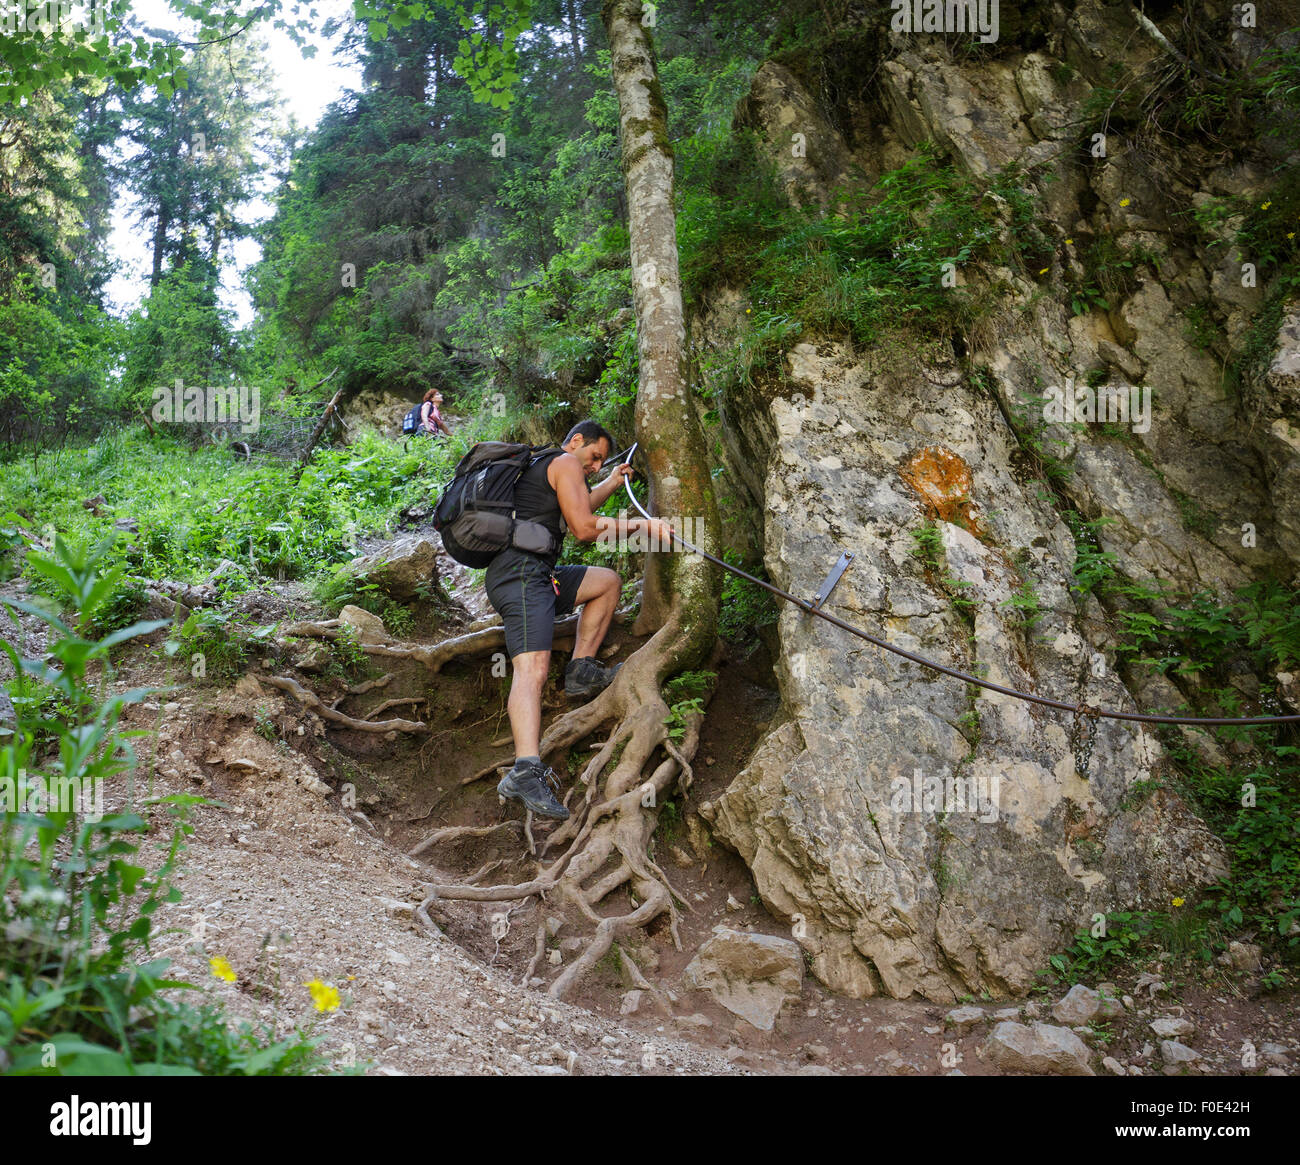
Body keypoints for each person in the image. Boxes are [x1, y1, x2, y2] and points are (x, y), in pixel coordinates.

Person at [490, 420, 673, 821]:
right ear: (576, 442)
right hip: (520, 577)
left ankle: (581, 670)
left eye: (600, 463)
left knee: (606, 582)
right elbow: (584, 529)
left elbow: (580, 507)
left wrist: (609, 481)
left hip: (539, 575)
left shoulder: (550, 467)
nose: (593, 466)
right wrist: (645, 526)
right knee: (531, 668)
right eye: (594, 457)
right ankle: (524, 770)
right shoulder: (563, 463)